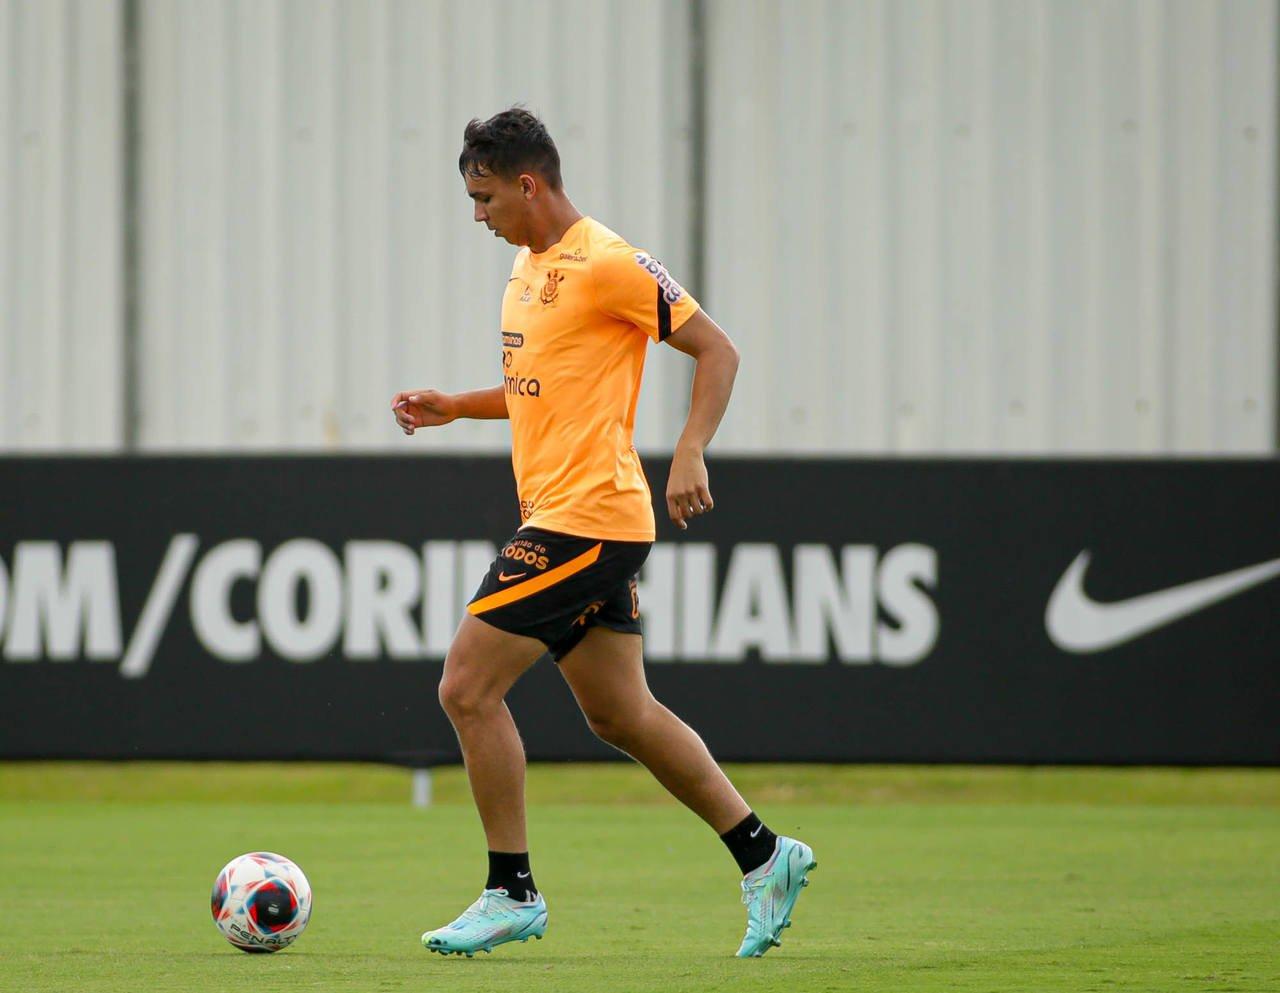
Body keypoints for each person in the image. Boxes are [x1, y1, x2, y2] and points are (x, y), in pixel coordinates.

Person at [391, 107, 815, 959]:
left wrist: (690, 449)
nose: (479, 217)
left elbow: (717, 349)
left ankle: (510, 889)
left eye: (485, 199)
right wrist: (456, 407)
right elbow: (540, 387)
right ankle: (765, 853)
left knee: (467, 687)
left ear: (528, 183)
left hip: (587, 518)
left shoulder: (608, 261)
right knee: (621, 714)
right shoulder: (525, 266)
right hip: (567, 514)